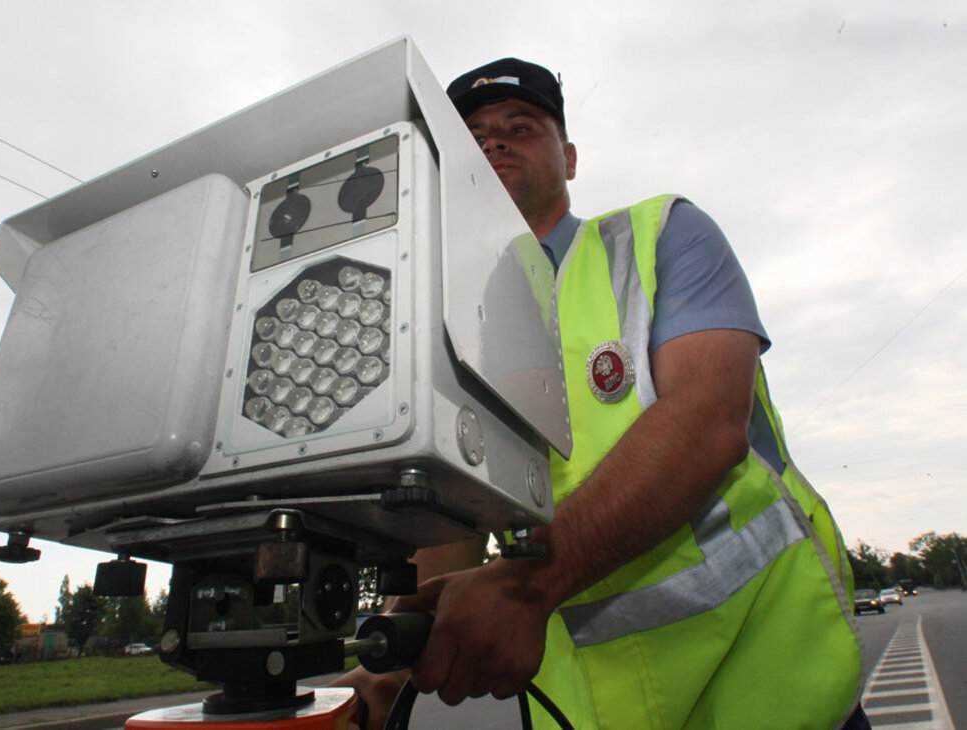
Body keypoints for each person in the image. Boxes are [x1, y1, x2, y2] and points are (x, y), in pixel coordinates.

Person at [339, 58, 867, 729]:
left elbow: (707, 421)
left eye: (520, 127)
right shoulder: (445, 327)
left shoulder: (660, 237)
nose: (494, 142)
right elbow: (453, 524)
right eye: (472, 138)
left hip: (774, 687)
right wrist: (393, 661)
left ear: (569, 157)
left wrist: (528, 585)